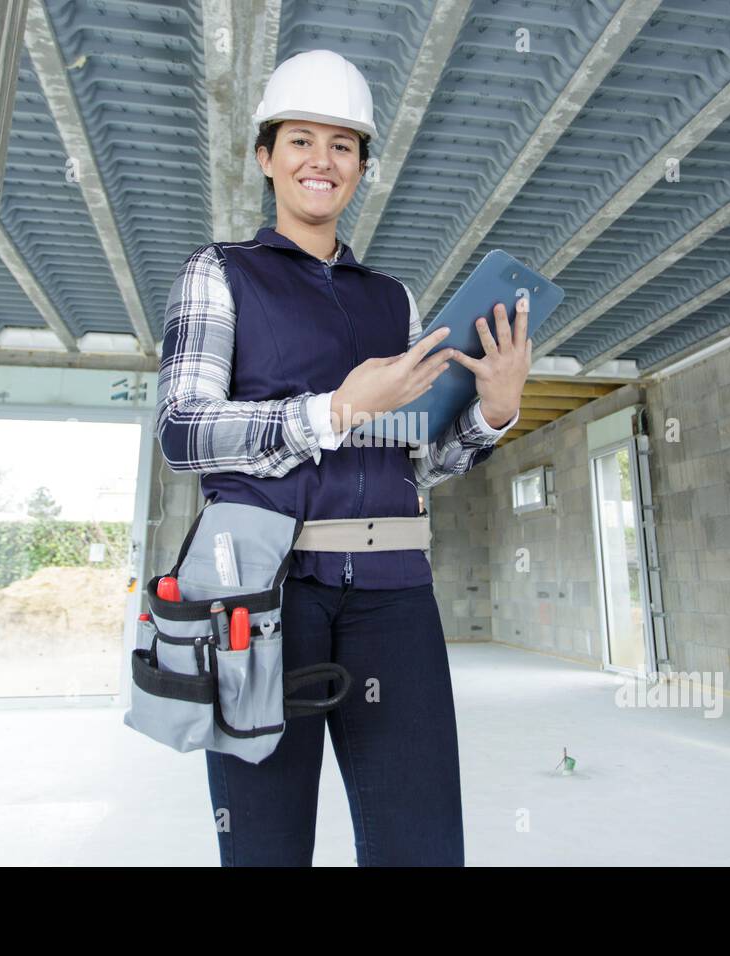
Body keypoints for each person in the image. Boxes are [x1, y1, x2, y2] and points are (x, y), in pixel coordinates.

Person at [154, 48, 530, 866]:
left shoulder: (390, 299)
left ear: (361, 167)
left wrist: (492, 416)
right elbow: (182, 432)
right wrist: (333, 410)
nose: (320, 160)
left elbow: (415, 461)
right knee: (264, 848)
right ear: (265, 157)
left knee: (423, 849)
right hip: (264, 598)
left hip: (394, 600)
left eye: (342, 145)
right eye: (299, 140)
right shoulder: (218, 273)